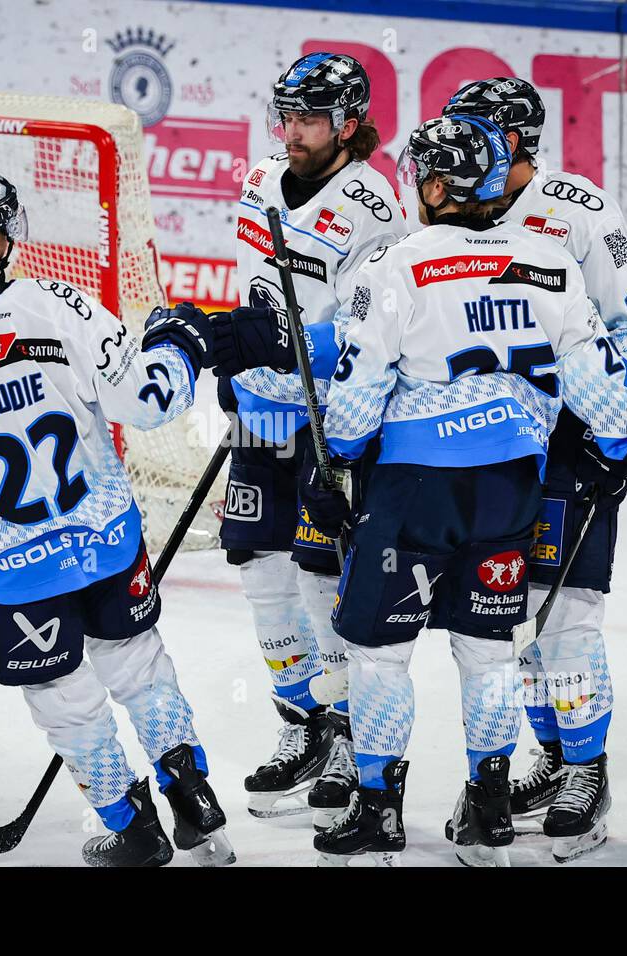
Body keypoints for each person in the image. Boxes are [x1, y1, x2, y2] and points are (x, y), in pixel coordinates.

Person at [301, 116, 627, 866]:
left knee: (379, 654)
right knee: (488, 651)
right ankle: (488, 810)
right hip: (512, 489)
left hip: (414, 492)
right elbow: (599, 384)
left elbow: (356, 390)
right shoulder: (550, 264)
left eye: (424, 174)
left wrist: (339, 463)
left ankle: (380, 807)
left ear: (441, 185)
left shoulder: (401, 263)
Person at [0, 168, 290, 867]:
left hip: (17, 570)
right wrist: (181, 343)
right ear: (0, 237)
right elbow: (148, 398)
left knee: (65, 699)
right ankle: (190, 791)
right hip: (106, 541)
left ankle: (131, 828)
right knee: (138, 665)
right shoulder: (57, 305)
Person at [444, 77, 627, 861]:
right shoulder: (454, 206)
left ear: (513, 139)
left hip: (569, 447)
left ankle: (588, 771)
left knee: (570, 619)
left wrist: (613, 426)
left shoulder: (578, 211)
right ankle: (551, 761)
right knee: (518, 619)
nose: (457, 148)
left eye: (477, 131)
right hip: (487, 448)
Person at [222, 51, 405, 825]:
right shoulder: (261, 180)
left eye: (310, 119)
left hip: (328, 422)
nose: (293, 132)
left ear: (349, 124)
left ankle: (347, 729)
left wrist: (322, 402)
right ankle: (302, 723)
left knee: (317, 577)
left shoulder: (374, 206)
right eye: (287, 116)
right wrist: (239, 366)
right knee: (258, 574)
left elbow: (371, 328)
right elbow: (250, 289)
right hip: (258, 412)